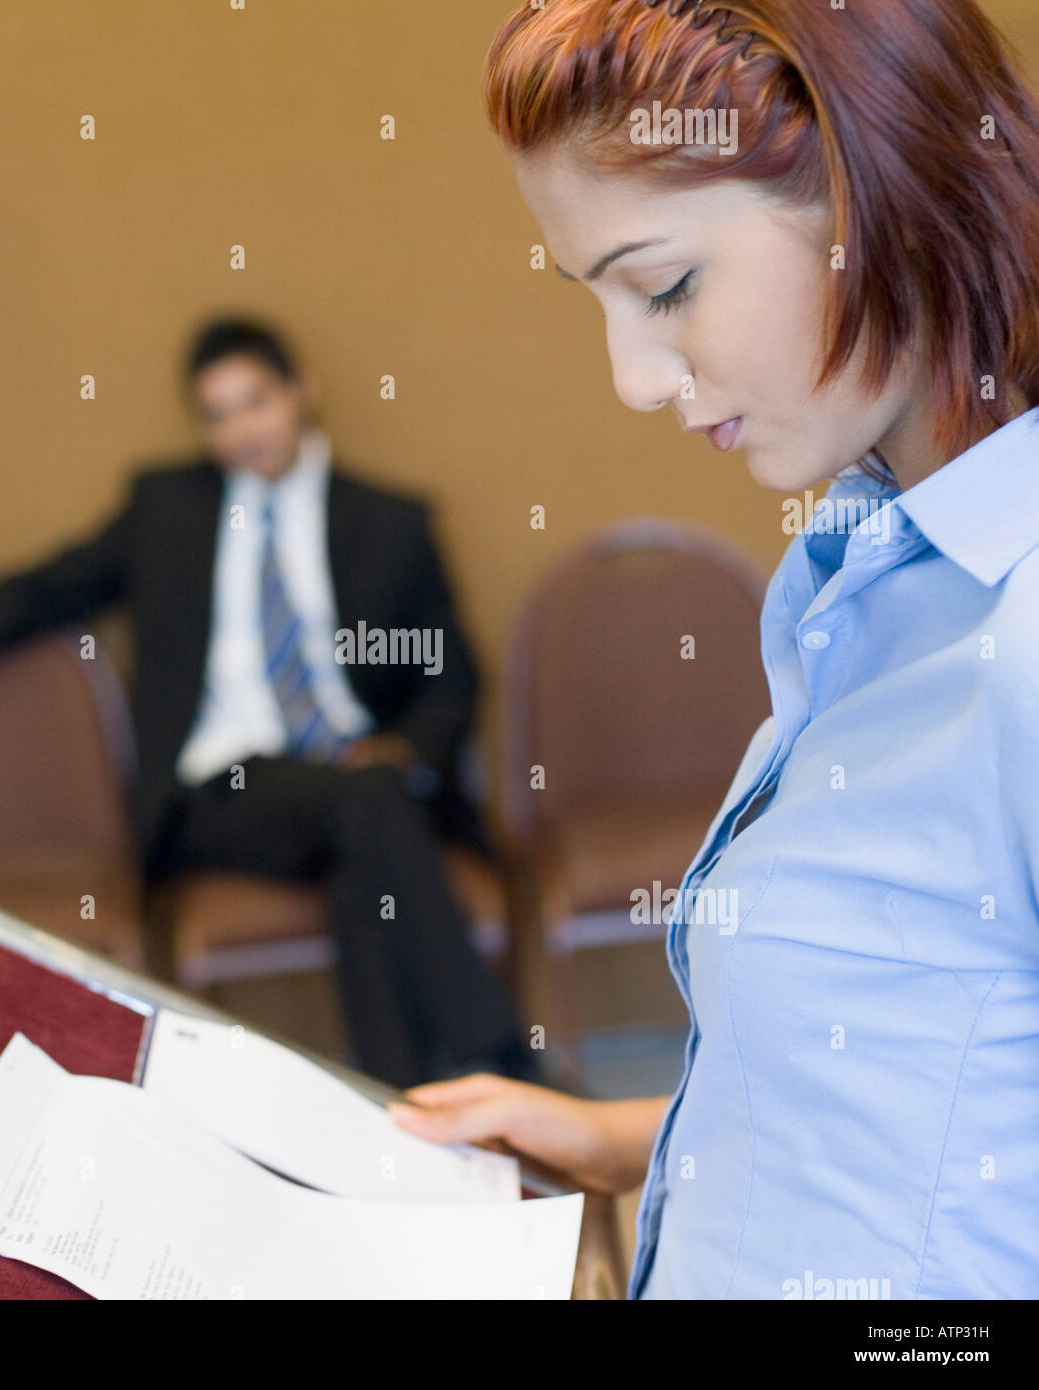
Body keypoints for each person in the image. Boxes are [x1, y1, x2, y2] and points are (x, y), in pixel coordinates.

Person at [391, 0, 1039, 1299]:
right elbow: (935, 1071)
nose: (634, 378)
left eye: (665, 287)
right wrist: (641, 1141)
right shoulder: (875, 567)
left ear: (877, 186)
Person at [0, 316, 537, 1091]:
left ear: (302, 391)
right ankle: (503, 1060)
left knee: (364, 846)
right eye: (217, 415)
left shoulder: (390, 521)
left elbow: (451, 677)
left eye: (256, 402)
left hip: (354, 777)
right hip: (222, 791)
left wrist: (405, 748)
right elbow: (42, 591)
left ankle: (400, 1099)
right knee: (371, 809)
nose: (242, 430)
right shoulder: (168, 512)